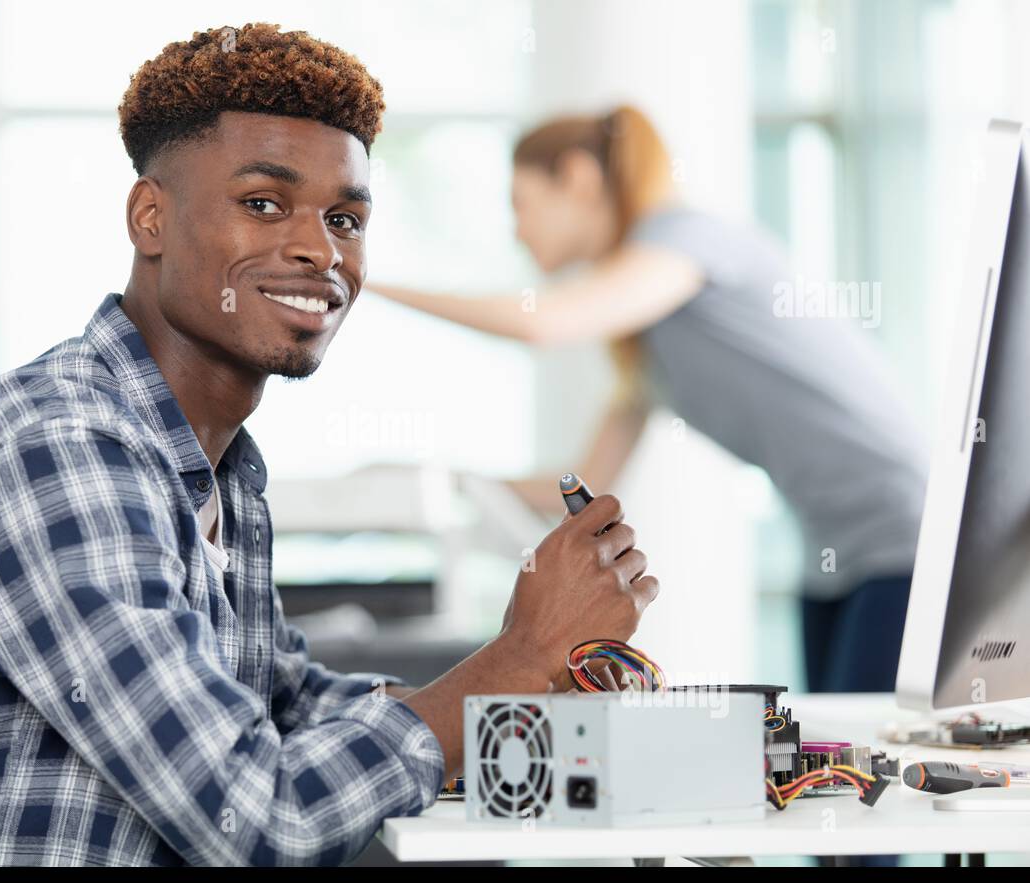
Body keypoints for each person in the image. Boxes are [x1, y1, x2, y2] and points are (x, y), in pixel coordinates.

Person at [0, 24, 658, 867]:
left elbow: (290, 705)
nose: (318, 249)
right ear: (149, 217)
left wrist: (547, 694)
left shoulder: (212, 471)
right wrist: (520, 659)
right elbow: (256, 819)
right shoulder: (59, 451)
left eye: (346, 218)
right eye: (263, 203)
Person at [367, 106, 929, 698]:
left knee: (869, 738)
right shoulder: (648, 342)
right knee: (836, 735)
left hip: (906, 528)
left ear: (579, 178)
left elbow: (544, 323)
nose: (517, 230)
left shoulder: (685, 239)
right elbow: (585, 481)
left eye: (520, 203)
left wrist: (364, 280)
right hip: (831, 546)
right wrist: (438, 479)